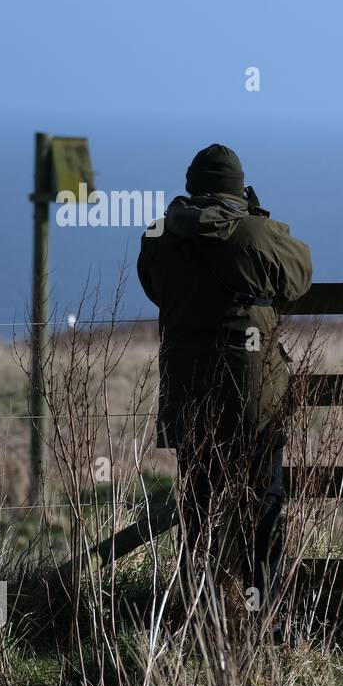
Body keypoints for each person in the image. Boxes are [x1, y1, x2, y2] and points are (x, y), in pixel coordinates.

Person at [137, 145, 313, 623]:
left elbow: (154, 286)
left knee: (199, 498)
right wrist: (258, 219)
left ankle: (201, 606)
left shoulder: (158, 234)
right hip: (251, 386)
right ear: (239, 187)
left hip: (188, 386)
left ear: (192, 184)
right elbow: (299, 275)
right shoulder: (255, 231)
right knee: (263, 499)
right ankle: (266, 612)